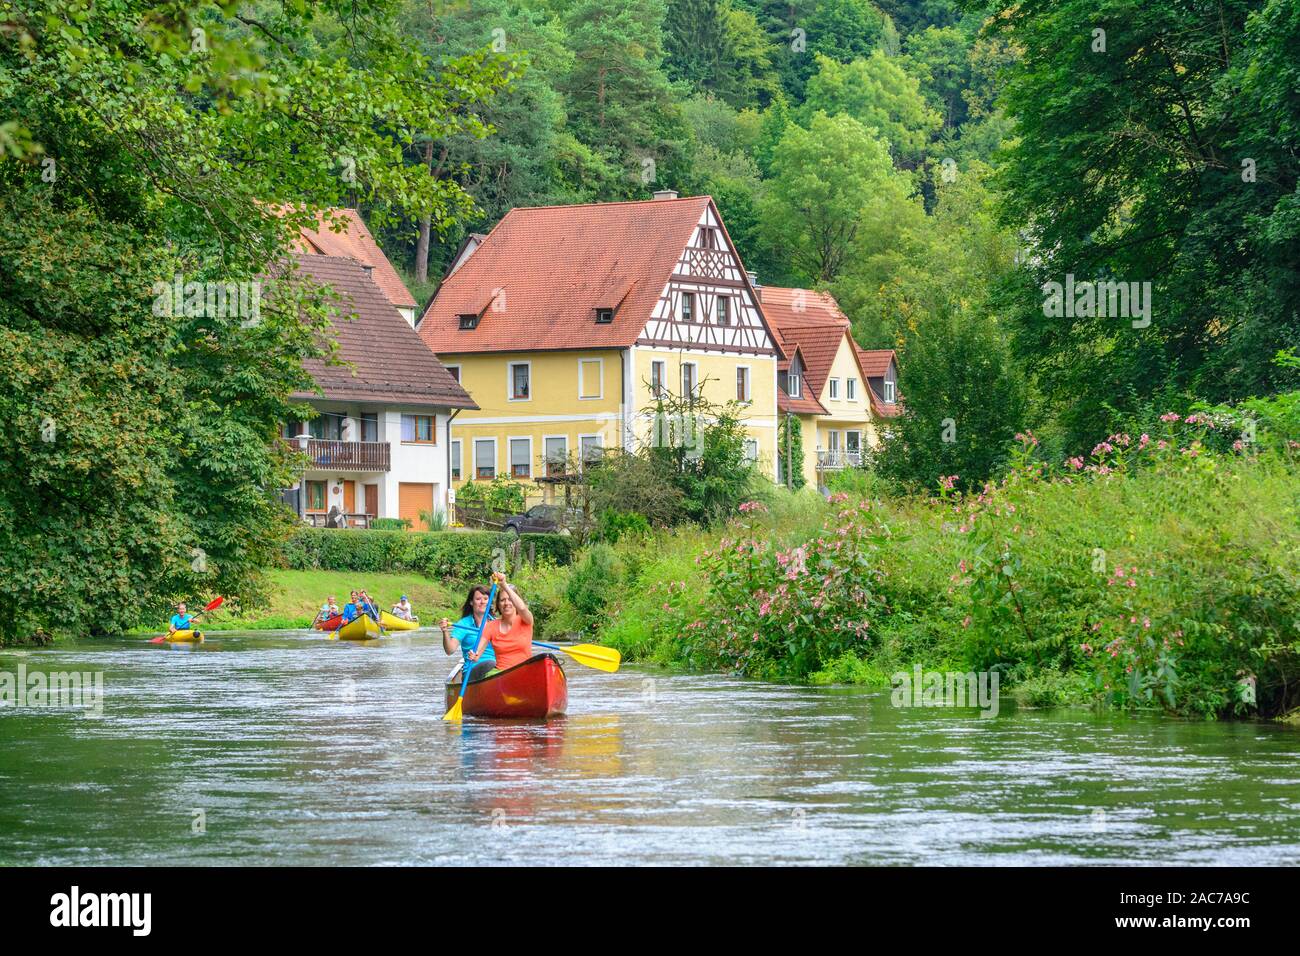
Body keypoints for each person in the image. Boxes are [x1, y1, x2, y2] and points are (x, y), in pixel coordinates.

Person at [468, 572, 534, 672]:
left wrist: (504, 584)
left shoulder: (526, 619)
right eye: (502, 600)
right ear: (498, 604)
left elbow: (522, 608)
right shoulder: (491, 626)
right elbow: (477, 654)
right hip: (501, 674)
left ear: (516, 601)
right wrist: (474, 655)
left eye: (510, 599)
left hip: (524, 671)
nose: (507, 603)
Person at [439, 585, 495, 682]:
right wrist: (445, 631)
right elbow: (450, 650)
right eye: (478, 599)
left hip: (496, 670)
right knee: (490, 664)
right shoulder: (463, 624)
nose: (482, 602)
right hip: (471, 671)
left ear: (490, 602)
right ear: (471, 602)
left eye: (486, 599)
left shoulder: (496, 624)